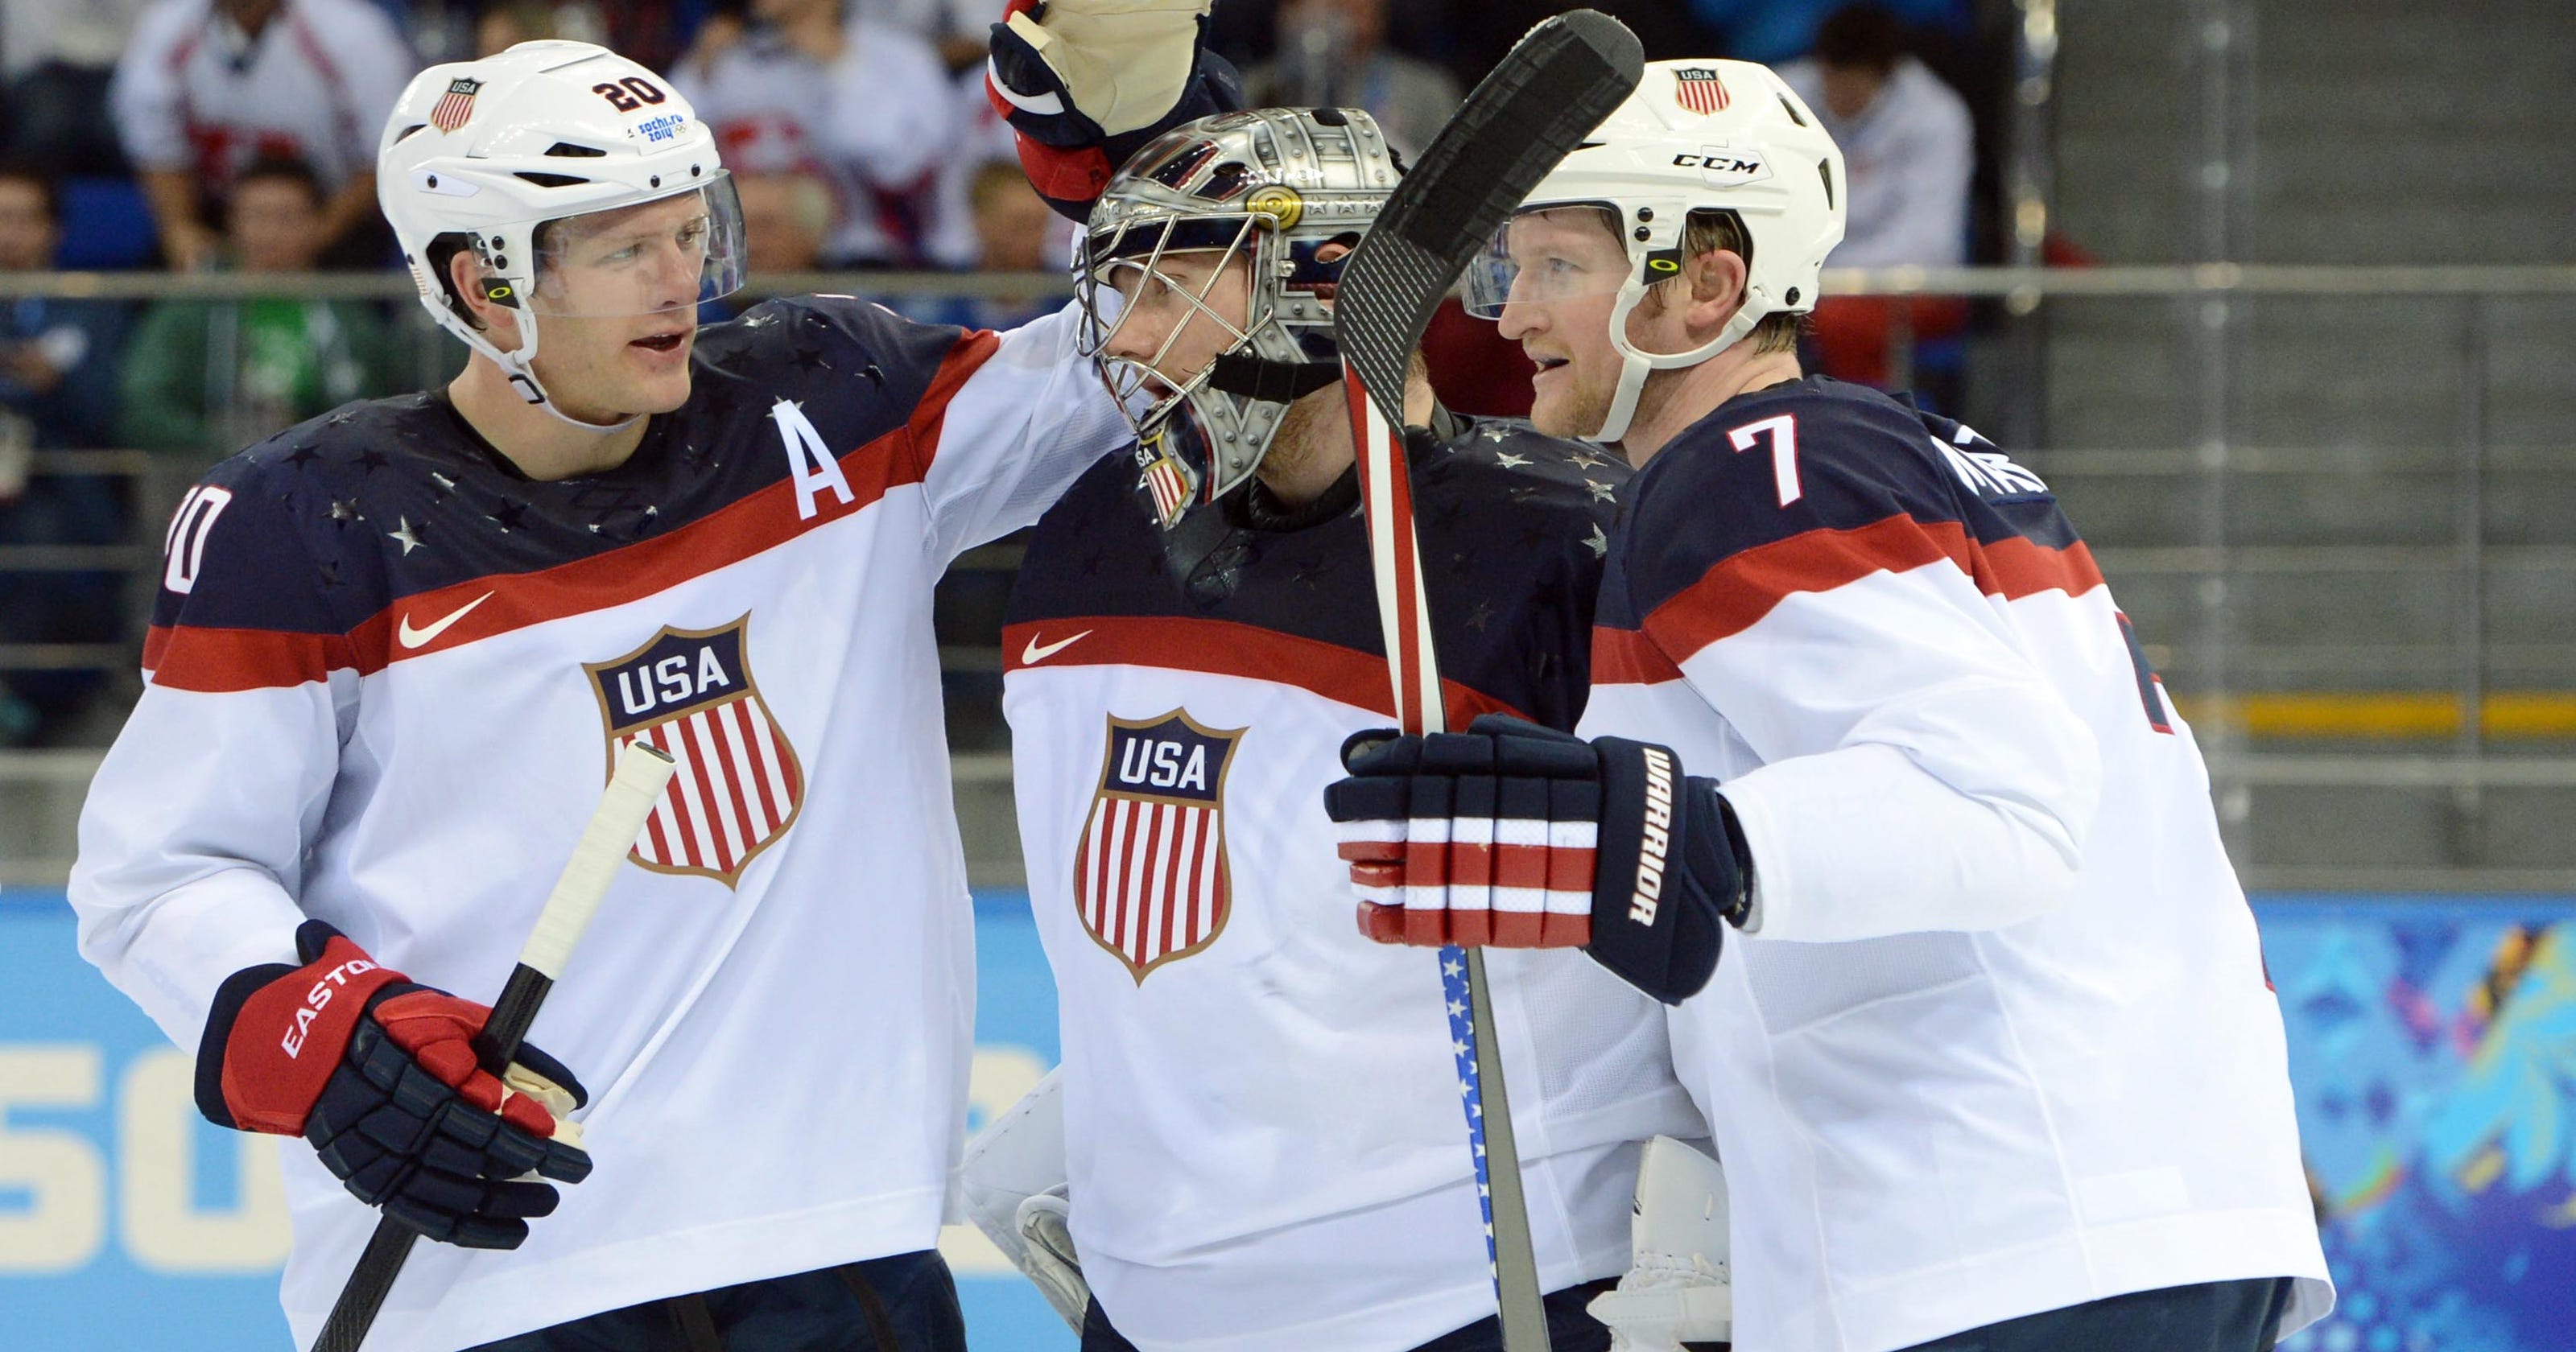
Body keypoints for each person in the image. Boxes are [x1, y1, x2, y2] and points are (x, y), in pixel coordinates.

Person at [69, 36, 1226, 1351]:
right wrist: (331, 1042)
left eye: (692, 230)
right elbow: (157, 876)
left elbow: (1146, 356)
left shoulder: (833, 408)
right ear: (485, 282)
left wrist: (1146, 143)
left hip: (835, 1249)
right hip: (492, 1281)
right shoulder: (304, 523)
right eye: (627, 250)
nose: (683, 280)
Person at [1323, 59, 2336, 1352]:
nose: (1513, 314)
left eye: (1559, 266)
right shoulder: (1903, 456)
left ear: (1707, 285)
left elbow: (2001, 801)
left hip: (1995, 1241)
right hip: (2122, 1216)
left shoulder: (1746, 469)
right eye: (1506, 270)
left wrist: (1685, 840)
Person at [965, 94, 1705, 1351]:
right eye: (1121, 292)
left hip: (1475, 1298)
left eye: (1170, 288)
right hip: (1152, 1306)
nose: (1125, 341)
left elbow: (1713, 896)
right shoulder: (1091, 530)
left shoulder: (1572, 538)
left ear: (1331, 282)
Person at [115, 154, 398, 464]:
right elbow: (144, 405)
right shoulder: (192, 306)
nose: (271, 232)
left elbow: (381, 403)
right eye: (258, 216)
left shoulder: (348, 309)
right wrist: (221, 444)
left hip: (322, 469)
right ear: (232, 223)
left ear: (317, 224)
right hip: (210, 468)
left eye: (287, 217)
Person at [109, 0, 417, 270]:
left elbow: (389, 150)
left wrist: (317, 235)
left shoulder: (351, 30)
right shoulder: (168, 24)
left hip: (331, 213)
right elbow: (154, 143)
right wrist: (180, 228)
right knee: (162, 283)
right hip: (217, 213)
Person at [672, 0, 963, 268]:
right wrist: (699, 73)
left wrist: (841, 65)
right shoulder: (719, 54)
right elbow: (670, 159)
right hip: (735, 262)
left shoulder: (898, 55)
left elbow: (900, 169)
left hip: (862, 264)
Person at [0, 159, 130, 745]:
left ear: (52, 230)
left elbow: (108, 409)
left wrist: (54, 386)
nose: (10, 234)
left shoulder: (92, 304)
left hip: (61, 480)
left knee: (45, 540)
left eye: (23, 219)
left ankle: (24, 699)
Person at [1780, 3, 1975, 386]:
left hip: (1902, 282)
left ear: (1887, 75)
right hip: (1805, 277)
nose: (1839, 97)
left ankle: (1864, 417)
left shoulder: (1936, 116)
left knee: (1841, 321)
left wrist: (1821, 281)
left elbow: (1930, 245)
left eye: (1854, 88)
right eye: (1831, 82)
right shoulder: (1779, 97)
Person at [1240, 0, 1458, 159]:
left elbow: (1443, 174)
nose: (1328, 17)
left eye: (1347, 7)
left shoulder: (1425, 90)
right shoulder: (1254, 87)